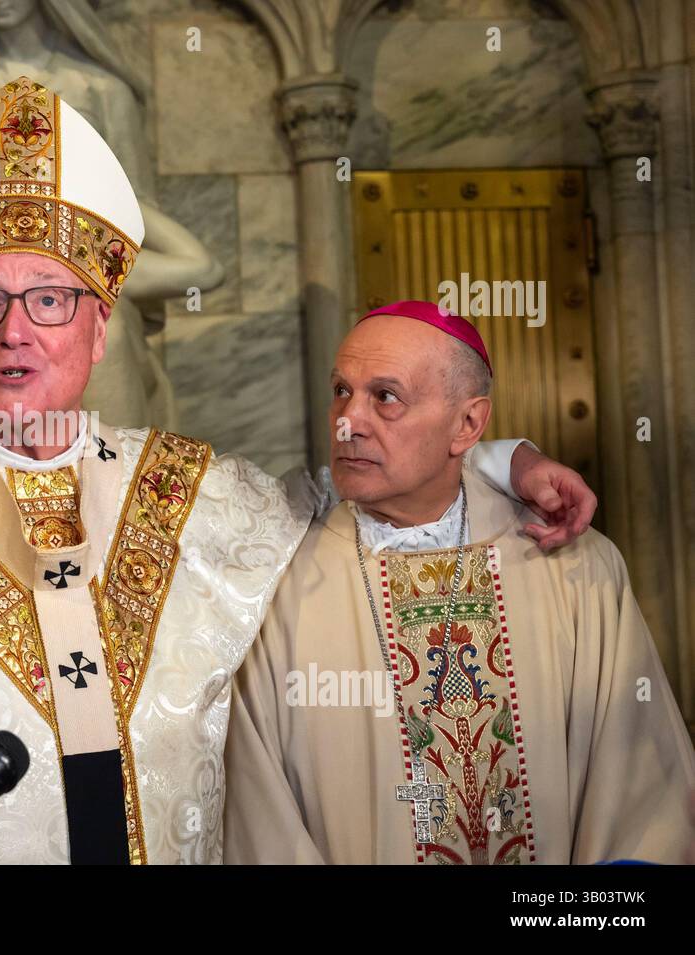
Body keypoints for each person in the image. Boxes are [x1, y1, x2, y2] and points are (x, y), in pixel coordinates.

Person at [0, 81, 593, 864]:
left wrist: (506, 460)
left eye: (50, 299)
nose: (16, 330)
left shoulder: (198, 495)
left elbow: (372, 497)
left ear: (102, 327)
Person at [224, 301, 695, 864]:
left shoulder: (575, 569)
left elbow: (641, 799)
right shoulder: (275, 582)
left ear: (468, 424)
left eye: (386, 397)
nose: (348, 421)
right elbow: (258, 811)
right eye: (340, 391)